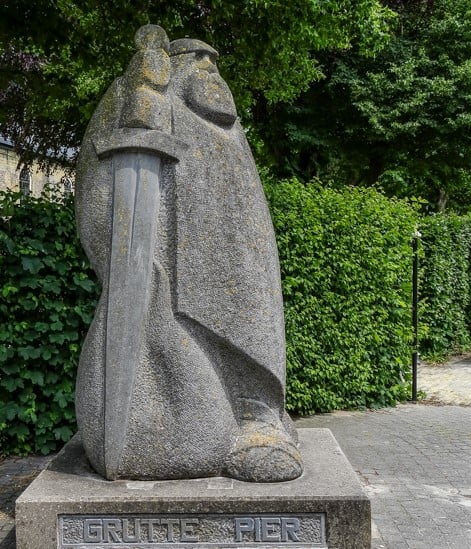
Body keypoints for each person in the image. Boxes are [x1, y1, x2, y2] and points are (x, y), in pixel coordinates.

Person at [74, 25, 302, 482]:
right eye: (198, 63)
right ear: (175, 68)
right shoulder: (129, 95)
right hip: (159, 272)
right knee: (168, 347)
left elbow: (247, 205)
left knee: (251, 327)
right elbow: (92, 188)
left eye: (214, 64)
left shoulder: (229, 130)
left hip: (235, 261)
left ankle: (259, 420)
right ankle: (191, 432)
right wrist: (116, 258)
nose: (211, 73)